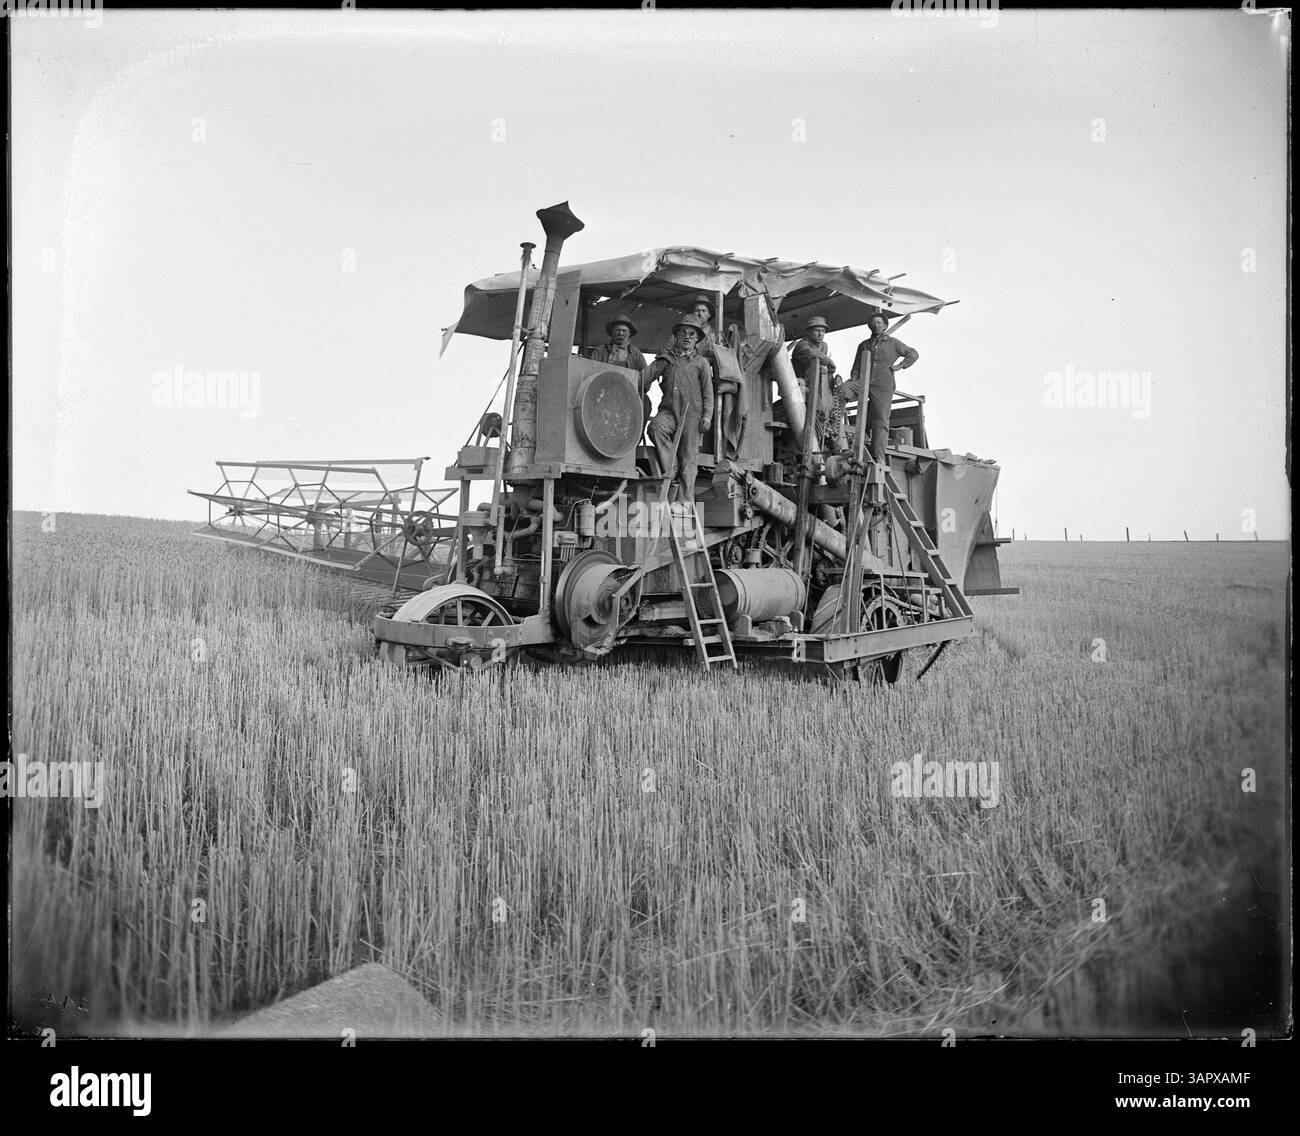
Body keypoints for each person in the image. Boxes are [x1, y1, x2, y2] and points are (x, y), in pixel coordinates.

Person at [643, 315, 714, 502]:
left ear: (697, 339)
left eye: (692, 334)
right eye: (683, 332)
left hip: (692, 415)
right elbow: (643, 379)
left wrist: (707, 415)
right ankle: (671, 466)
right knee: (655, 427)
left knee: (689, 458)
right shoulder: (667, 360)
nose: (687, 336)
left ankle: (685, 502)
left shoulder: (702, 363)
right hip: (668, 412)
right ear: (676, 336)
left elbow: (708, 392)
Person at [840, 314, 919, 462]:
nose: (876, 325)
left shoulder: (894, 343)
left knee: (881, 419)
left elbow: (913, 354)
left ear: (885, 326)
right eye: (874, 322)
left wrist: (900, 366)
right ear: (870, 325)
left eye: (879, 322)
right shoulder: (863, 345)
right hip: (864, 381)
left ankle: (879, 457)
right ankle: (838, 433)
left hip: (883, 384)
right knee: (843, 390)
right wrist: (855, 376)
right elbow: (856, 366)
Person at [789, 315, 838, 452]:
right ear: (808, 332)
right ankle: (816, 443)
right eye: (817, 331)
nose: (820, 334)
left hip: (816, 385)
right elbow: (813, 355)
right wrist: (828, 361)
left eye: (823, 331)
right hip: (798, 384)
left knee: (833, 409)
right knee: (820, 410)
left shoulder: (824, 345)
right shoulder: (801, 345)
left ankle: (832, 441)